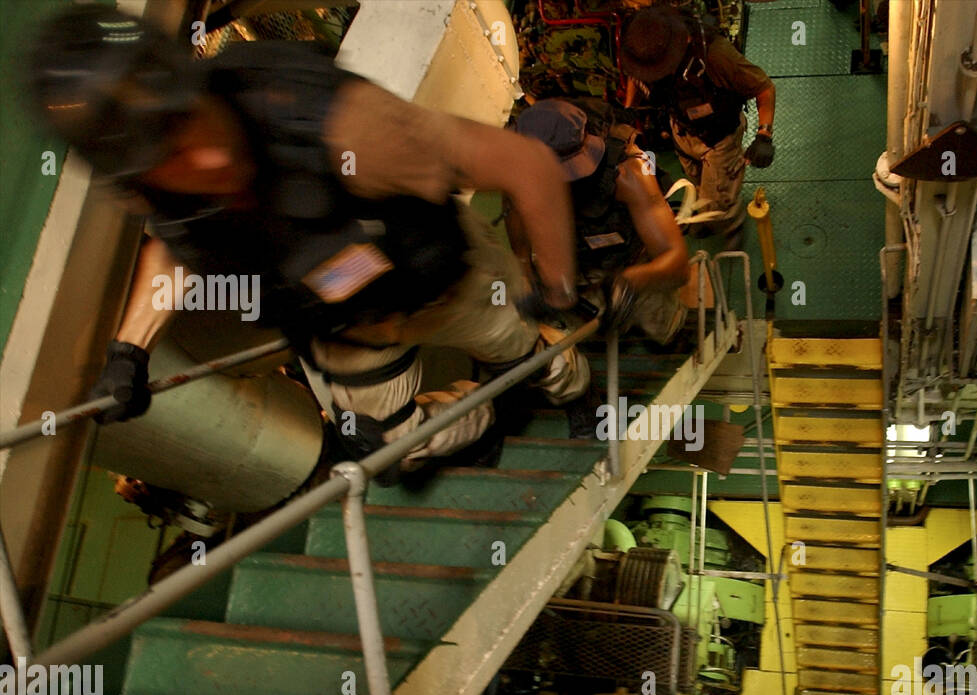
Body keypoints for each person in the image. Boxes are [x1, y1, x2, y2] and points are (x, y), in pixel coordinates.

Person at [28, 8, 593, 483]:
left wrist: (555, 287)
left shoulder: (337, 124)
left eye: (188, 120)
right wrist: (131, 351)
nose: (210, 158)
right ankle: (477, 424)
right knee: (390, 446)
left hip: (450, 284)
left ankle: (579, 394)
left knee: (526, 351)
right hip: (350, 329)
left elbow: (524, 163)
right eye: (170, 158)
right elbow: (179, 245)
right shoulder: (155, 190)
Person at [510, 99, 691, 345]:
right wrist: (527, 276)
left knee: (661, 324)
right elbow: (519, 237)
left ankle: (673, 334)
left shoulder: (629, 173)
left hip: (630, 262)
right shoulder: (519, 176)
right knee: (567, 330)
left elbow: (677, 263)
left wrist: (628, 282)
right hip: (575, 264)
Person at [619, 5, 776, 247]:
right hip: (682, 130)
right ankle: (710, 212)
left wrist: (764, 133)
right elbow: (636, 76)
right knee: (697, 181)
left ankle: (731, 222)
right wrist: (629, 111)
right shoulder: (645, 51)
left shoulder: (715, 55)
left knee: (720, 196)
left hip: (719, 137)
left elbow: (764, 87)